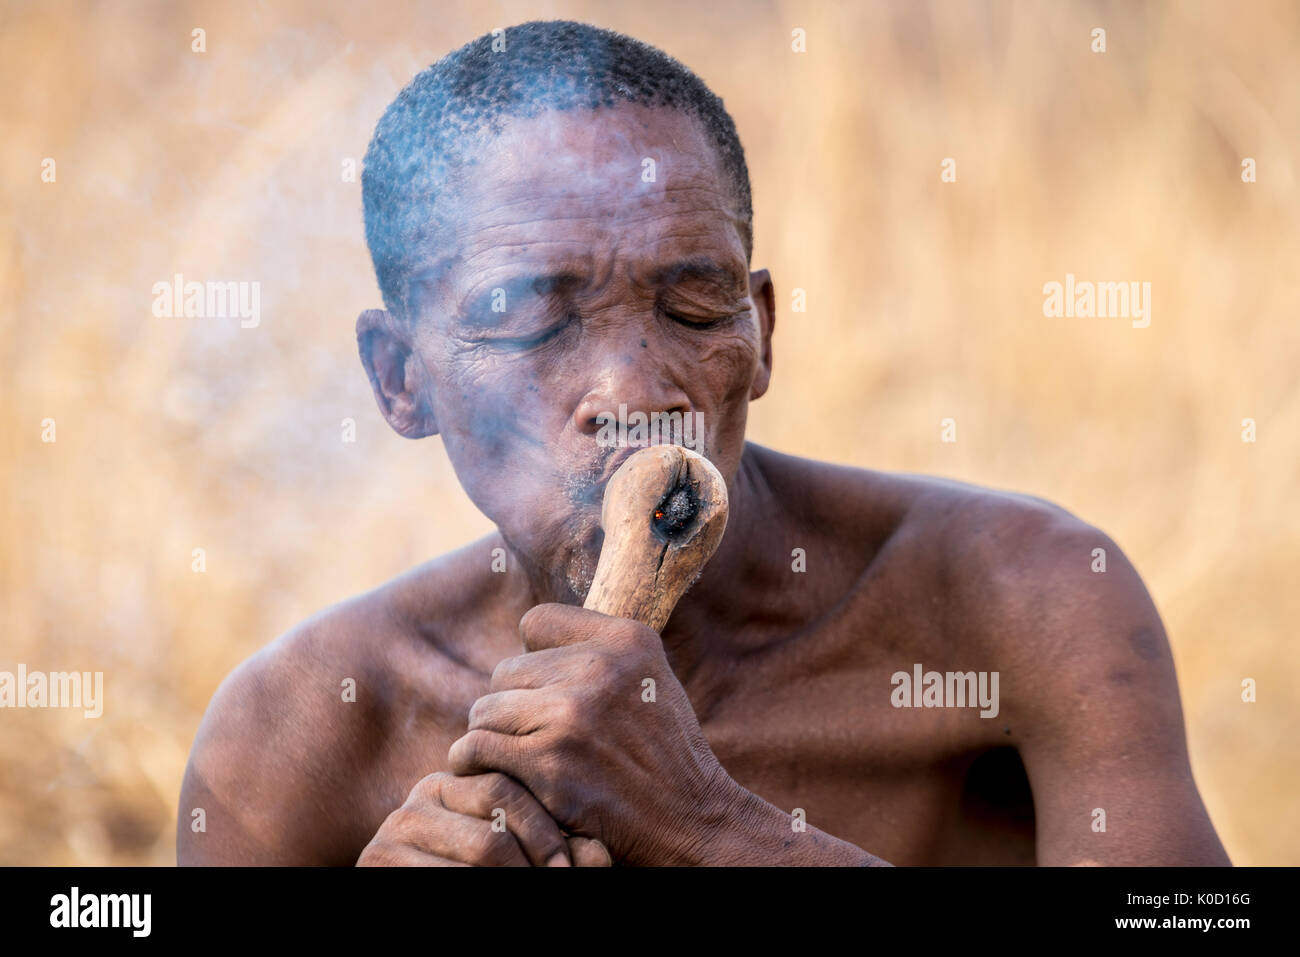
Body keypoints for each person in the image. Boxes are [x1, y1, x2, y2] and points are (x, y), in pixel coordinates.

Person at [177, 20, 1229, 866]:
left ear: (760, 334)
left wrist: (708, 827)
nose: (634, 392)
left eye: (691, 305)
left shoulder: (1016, 598)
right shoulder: (303, 733)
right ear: (400, 379)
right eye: (526, 317)